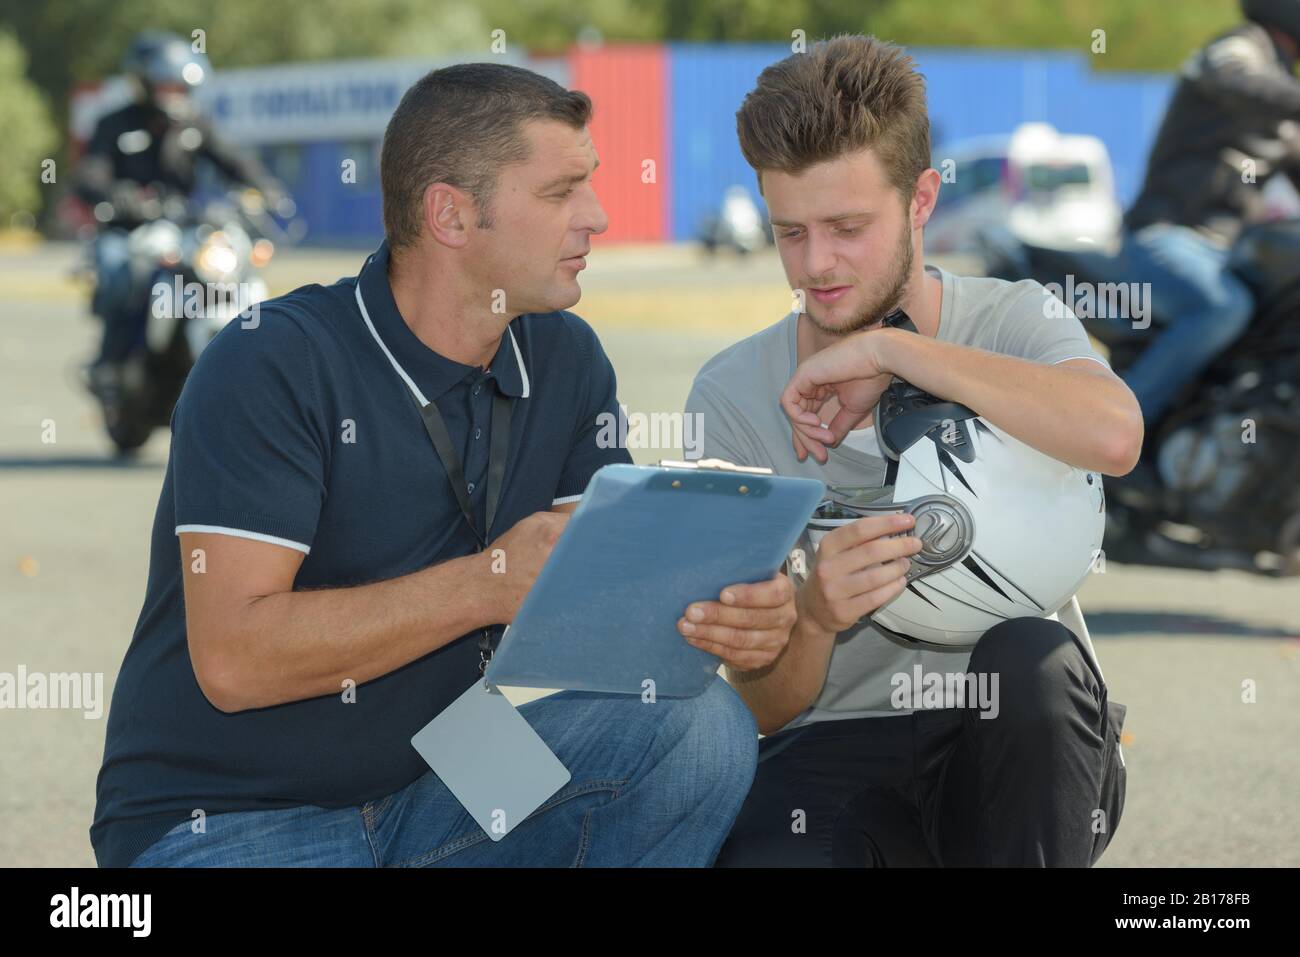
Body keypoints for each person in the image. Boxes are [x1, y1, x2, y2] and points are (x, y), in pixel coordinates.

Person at [91, 63, 796, 868]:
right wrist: (488, 580)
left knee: (697, 726)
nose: (597, 216)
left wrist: (725, 609)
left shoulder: (565, 359)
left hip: (451, 775)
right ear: (452, 215)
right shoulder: (271, 362)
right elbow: (233, 661)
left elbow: (596, 615)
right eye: (561, 192)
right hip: (231, 816)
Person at [684, 35, 1140, 866]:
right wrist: (816, 616)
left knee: (1032, 656)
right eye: (790, 231)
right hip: (834, 751)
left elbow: (1114, 434)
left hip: (1011, 738)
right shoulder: (731, 397)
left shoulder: (1008, 320)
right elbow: (760, 710)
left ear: (922, 199)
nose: (816, 265)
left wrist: (893, 353)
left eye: (848, 228)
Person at [1088, 0, 1300, 434]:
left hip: (1225, 255)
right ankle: (1115, 428)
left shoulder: (1281, 95)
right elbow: (1235, 80)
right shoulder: (1240, 49)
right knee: (1224, 308)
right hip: (1166, 236)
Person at [73, 31, 289, 402]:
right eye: (168, 85)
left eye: (181, 87)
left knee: (229, 267)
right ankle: (110, 364)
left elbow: (234, 161)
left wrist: (267, 190)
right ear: (143, 82)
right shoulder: (114, 125)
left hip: (181, 226)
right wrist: (119, 196)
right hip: (129, 229)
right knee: (121, 273)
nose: (176, 94)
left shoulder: (193, 124)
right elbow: (90, 175)